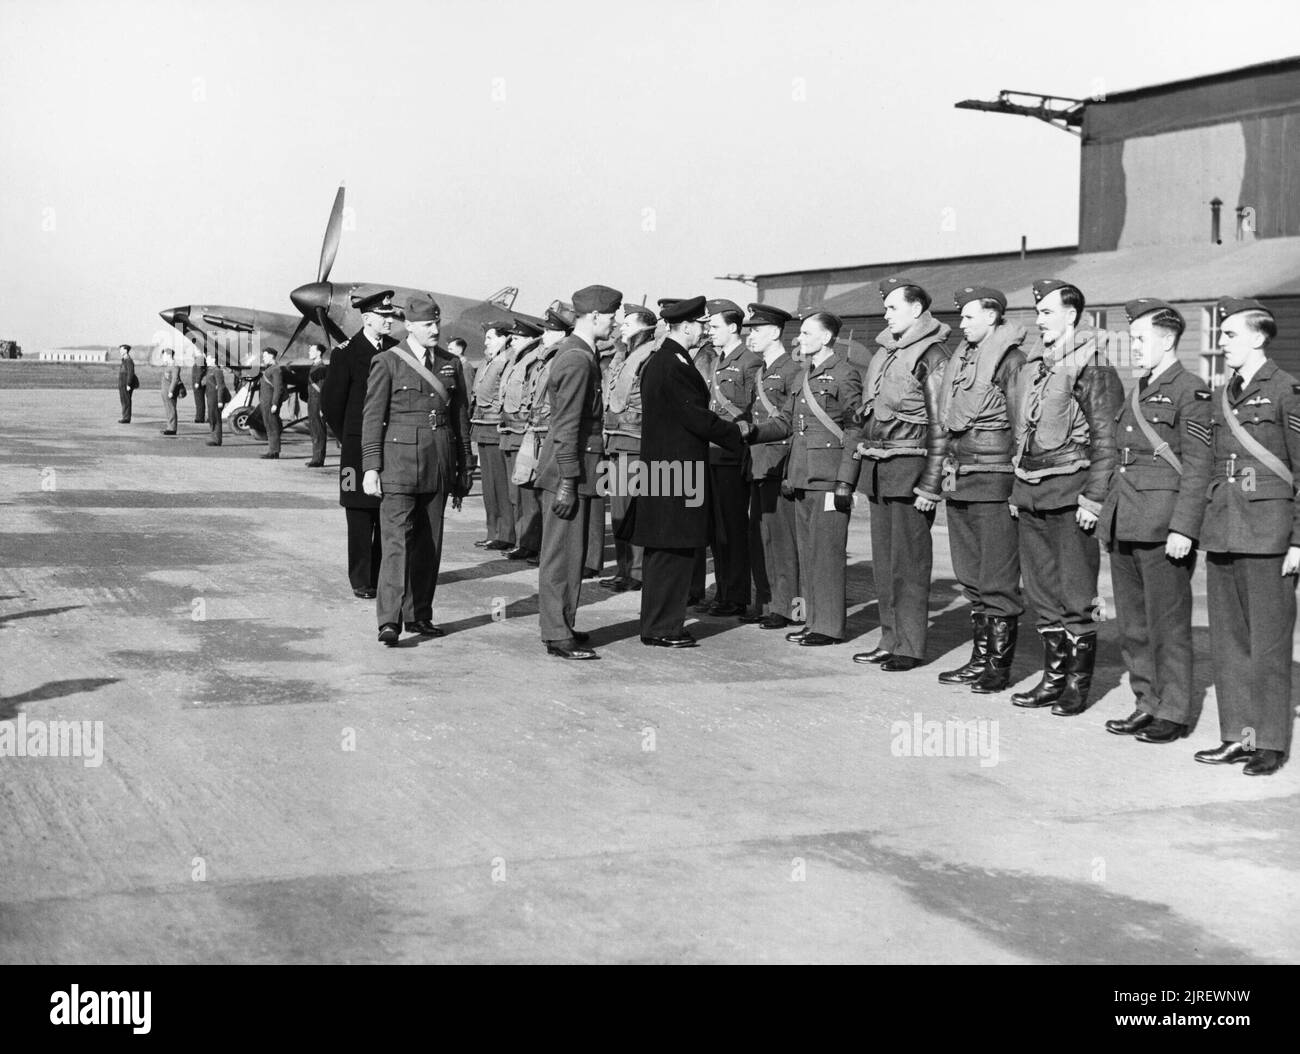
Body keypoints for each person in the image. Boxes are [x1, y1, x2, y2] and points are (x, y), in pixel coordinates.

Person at [1096, 299, 1212, 743]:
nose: (1134, 349)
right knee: (1133, 626)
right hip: (1127, 520)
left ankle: (1174, 711)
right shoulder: (1139, 388)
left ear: (1167, 340)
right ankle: (1147, 702)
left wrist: (1185, 527)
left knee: (1168, 626)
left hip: (1164, 528)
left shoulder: (1191, 390)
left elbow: (1199, 464)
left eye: (1140, 340)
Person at [1007, 279, 1123, 714]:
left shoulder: (1095, 367)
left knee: (1076, 595)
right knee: (1041, 592)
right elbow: (1025, 435)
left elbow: (1106, 440)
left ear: (1072, 316)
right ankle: (1052, 678)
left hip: (1072, 496)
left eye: (1048, 313)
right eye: (1037, 313)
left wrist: (1094, 499)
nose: (1040, 321)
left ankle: (1077, 685)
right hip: (1032, 492)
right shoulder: (1036, 365)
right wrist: (1018, 491)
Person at [1194, 297, 1298, 776]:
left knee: (1269, 644)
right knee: (1229, 642)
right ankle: (1238, 735)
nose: (1221, 342)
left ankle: (1270, 741)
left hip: (1269, 535)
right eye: (1219, 334)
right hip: (1224, 529)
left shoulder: (1286, 391)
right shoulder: (1221, 394)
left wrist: (1298, 540)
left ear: (1258, 337)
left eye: (1230, 334)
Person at [841, 278, 949, 671]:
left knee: (909, 565)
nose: (886, 315)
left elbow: (942, 424)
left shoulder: (933, 355)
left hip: (910, 469)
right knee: (885, 566)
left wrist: (931, 483)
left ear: (916, 309)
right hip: (880, 468)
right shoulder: (886, 351)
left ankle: (909, 645)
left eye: (892, 308)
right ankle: (890, 639)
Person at [931, 286, 1028, 691]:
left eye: (969, 316)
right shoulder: (964, 359)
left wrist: (1018, 489)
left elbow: (1023, 426)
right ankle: (979, 659)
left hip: (994, 482)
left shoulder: (1012, 361)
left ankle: (998, 668)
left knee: (997, 579)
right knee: (971, 576)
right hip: (961, 480)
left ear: (992, 317)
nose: (961, 324)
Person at [633, 296, 744, 647]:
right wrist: (737, 435)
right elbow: (696, 418)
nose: (705, 330)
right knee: (674, 552)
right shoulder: (675, 364)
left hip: (663, 470)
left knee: (662, 552)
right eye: (701, 325)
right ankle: (663, 628)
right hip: (676, 473)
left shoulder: (662, 360)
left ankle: (656, 623)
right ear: (687, 326)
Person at [362, 292, 472, 646]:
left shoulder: (450, 364)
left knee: (430, 544)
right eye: (427, 324)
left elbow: (460, 421)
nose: (435, 329)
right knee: (396, 544)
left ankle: (419, 614)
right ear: (409, 325)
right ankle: (389, 621)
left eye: (437, 323)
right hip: (398, 465)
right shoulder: (388, 362)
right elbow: (372, 418)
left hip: (439, 462)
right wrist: (370, 467)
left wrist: (465, 466)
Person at [748, 312, 863, 647]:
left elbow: (855, 428)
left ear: (827, 338)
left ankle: (828, 626)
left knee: (827, 555)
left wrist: (846, 480)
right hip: (801, 474)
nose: (800, 339)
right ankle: (814, 620)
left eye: (808, 333)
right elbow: (785, 423)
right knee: (809, 553)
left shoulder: (844, 374)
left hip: (828, 477)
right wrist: (751, 432)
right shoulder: (802, 375)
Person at [535, 285, 621, 660]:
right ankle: (556, 634)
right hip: (568, 472)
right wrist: (568, 480)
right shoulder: (577, 359)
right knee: (561, 557)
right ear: (596, 317)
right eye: (612, 316)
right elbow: (567, 425)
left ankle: (563, 624)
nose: (616, 322)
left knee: (572, 555)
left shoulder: (581, 353)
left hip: (578, 469)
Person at [322, 288, 399, 599]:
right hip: (355, 449)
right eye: (384, 316)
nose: (390, 320)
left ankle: (382, 574)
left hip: (391, 445)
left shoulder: (396, 349)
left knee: (386, 512)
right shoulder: (346, 353)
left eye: (391, 315)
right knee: (358, 512)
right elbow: (331, 405)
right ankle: (360, 579)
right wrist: (350, 439)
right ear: (367, 319)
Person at [739, 302, 802, 629]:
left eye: (757, 330)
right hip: (759, 463)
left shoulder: (793, 369)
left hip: (780, 462)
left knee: (782, 540)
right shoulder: (762, 369)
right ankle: (763, 601)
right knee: (760, 536)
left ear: (776, 332)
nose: (751, 337)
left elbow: (793, 424)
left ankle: (789, 606)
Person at [700, 298, 762, 617]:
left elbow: (756, 411)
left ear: (733, 328)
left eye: (714, 326)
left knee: (733, 528)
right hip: (713, 454)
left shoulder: (750, 361)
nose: (709, 332)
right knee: (717, 529)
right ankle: (724, 591)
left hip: (732, 456)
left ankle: (736, 595)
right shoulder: (718, 360)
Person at [602, 304, 658, 592]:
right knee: (620, 512)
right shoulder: (623, 356)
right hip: (616, 440)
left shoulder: (649, 357)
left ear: (642, 328)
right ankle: (624, 570)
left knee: (632, 511)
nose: (621, 328)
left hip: (634, 441)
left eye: (627, 324)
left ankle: (635, 572)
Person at [497, 318, 546, 563]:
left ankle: (530, 543)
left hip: (523, 433)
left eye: (516, 337)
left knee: (528, 494)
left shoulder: (534, 360)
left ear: (529, 338)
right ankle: (522, 540)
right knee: (517, 493)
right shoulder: (518, 359)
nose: (512, 341)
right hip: (511, 431)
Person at [470, 321, 516, 550]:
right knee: (489, 486)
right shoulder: (489, 361)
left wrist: (498, 414)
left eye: (490, 337)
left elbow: (505, 393)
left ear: (505, 338)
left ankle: (506, 534)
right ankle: (493, 531)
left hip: (496, 427)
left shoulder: (508, 359)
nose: (486, 342)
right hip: (482, 427)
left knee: (501, 484)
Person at [258, 347, 286, 459]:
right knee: (269, 426)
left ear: (270, 356)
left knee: (273, 426)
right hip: (266, 402)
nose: (263, 358)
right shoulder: (270, 369)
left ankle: (274, 451)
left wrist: (275, 403)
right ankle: (272, 450)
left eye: (264, 356)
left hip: (270, 403)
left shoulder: (276, 369)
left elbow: (278, 388)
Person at [305, 343, 328, 467]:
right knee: (314, 429)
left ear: (319, 353)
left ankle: (318, 459)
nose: (309, 352)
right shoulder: (314, 366)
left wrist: (322, 407)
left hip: (318, 402)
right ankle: (315, 457)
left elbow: (323, 390)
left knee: (318, 430)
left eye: (311, 350)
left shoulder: (322, 368)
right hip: (312, 401)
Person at [200, 348, 229, 446]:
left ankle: (217, 439)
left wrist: (220, 400)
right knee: (212, 417)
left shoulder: (217, 371)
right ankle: (213, 436)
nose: (206, 360)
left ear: (213, 359)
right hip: (210, 397)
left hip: (216, 398)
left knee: (216, 418)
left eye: (208, 359)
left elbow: (221, 386)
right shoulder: (210, 370)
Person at [159, 348, 180, 435]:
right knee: (168, 410)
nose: (163, 358)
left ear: (169, 355)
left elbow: (175, 379)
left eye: (164, 356)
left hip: (169, 392)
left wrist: (171, 391)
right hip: (165, 392)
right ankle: (169, 427)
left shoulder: (175, 367)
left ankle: (172, 428)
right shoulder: (168, 366)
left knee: (171, 409)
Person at [117, 345, 138, 423]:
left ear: (125, 351)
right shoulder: (124, 360)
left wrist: (128, 384)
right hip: (122, 384)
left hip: (126, 384)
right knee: (123, 400)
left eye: (121, 349)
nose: (120, 351)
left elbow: (130, 373)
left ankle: (126, 418)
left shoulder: (128, 360)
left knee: (126, 401)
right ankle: (125, 416)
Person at [191, 349, 207, 424]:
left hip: (199, 383)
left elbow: (200, 371)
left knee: (199, 400)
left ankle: (200, 417)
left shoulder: (200, 358)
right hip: (201, 382)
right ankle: (201, 416)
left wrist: (197, 382)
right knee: (200, 400)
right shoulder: (201, 358)